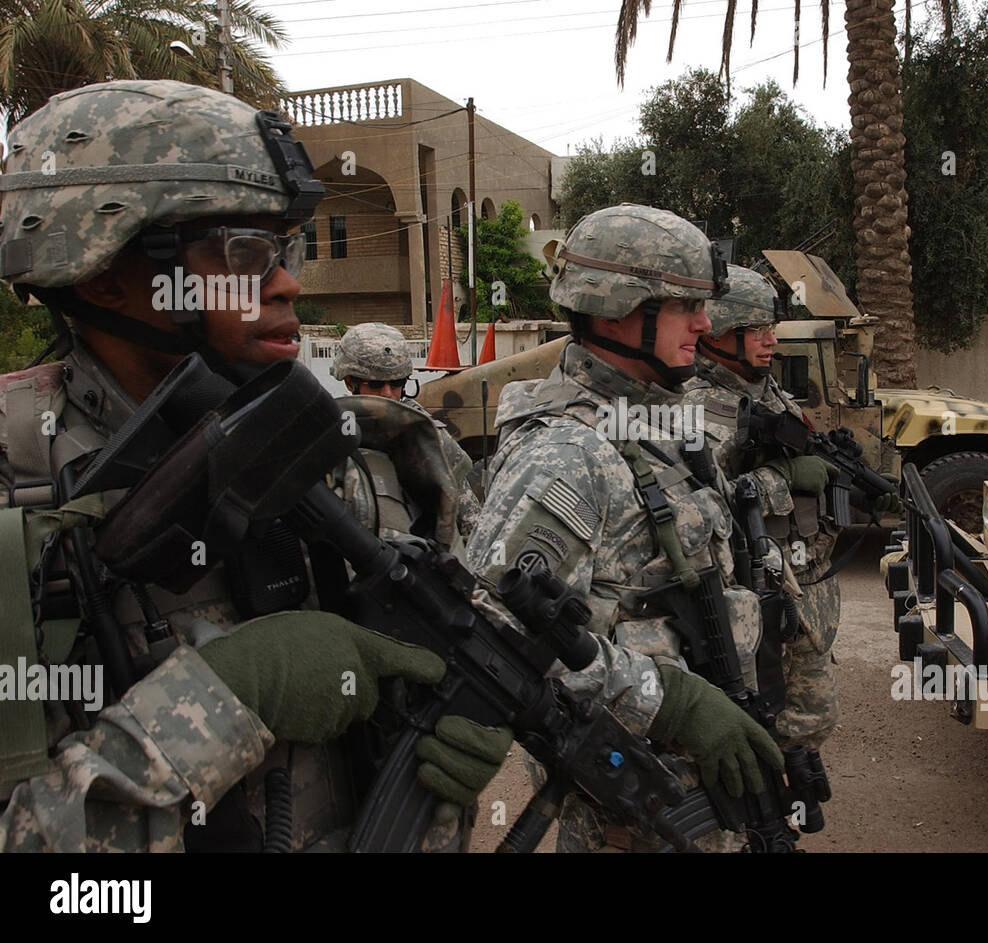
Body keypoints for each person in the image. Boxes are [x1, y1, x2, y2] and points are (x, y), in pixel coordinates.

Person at [0, 80, 509, 852]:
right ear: (104, 270)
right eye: (246, 252)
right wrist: (230, 694)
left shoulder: (358, 452)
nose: (288, 282)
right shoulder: (16, 488)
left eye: (288, 247)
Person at [466, 204, 784, 852]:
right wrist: (670, 702)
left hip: (686, 793)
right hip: (626, 809)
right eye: (683, 304)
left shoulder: (654, 428)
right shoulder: (565, 449)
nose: (705, 322)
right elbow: (494, 643)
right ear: (617, 308)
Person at [681, 265, 844, 758]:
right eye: (757, 331)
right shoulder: (694, 407)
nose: (771, 340)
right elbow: (699, 505)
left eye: (771, 327)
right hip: (752, 593)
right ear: (721, 333)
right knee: (761, 720)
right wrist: (782, 480)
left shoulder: (763, 391)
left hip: (803, 586)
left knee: (809, 722)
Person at [329, 322, 480, 546]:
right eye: (376, 384)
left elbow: (469, 518)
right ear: (351, 382)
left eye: (397, 383)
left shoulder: (424, 433)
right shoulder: (332, 435)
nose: (388, 394)